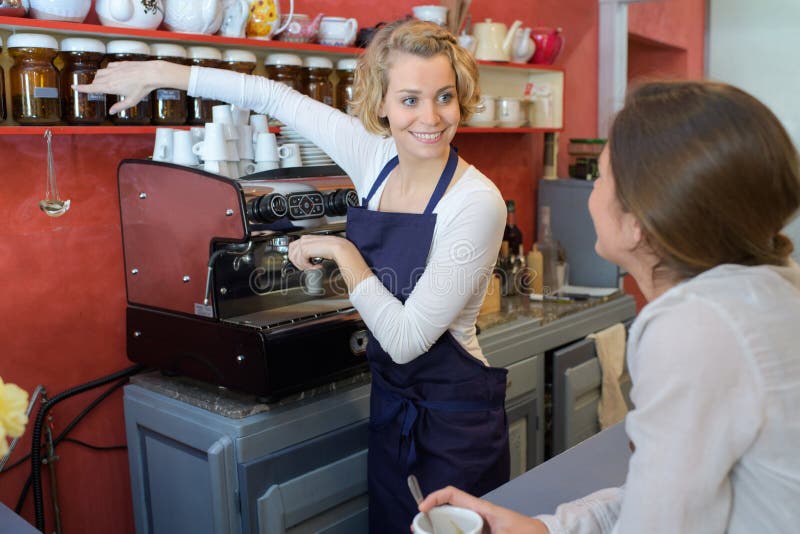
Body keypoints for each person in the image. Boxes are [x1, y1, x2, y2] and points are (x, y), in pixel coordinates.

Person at [77, 19, 510, 532]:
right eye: (411, 99)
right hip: (392, 407)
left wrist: (342, 251)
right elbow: (269, 94)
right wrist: (159, 71)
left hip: (456, 421)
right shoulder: (374, 157)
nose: (432, 117)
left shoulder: (476, 202)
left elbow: (406, 339)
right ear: (382, 105)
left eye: (445, 97)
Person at [419, 80, 800, 533]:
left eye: (600, 178)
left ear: (637, 222)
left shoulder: (696, 328)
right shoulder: (769, 286)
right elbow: (658, 496)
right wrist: (544, 529)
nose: (592, 193)